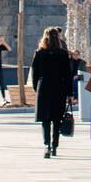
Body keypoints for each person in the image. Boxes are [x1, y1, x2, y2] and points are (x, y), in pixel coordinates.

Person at [32, 26, 73, 158]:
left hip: (44, 87)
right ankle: (55, 145)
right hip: (59, 88)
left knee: (45, 119)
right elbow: (68, 75)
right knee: (56, 118)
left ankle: (47, 144)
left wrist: (35, 88)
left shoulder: (39, 53)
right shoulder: (62, 54)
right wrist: (70, 93)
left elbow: (35, 73)